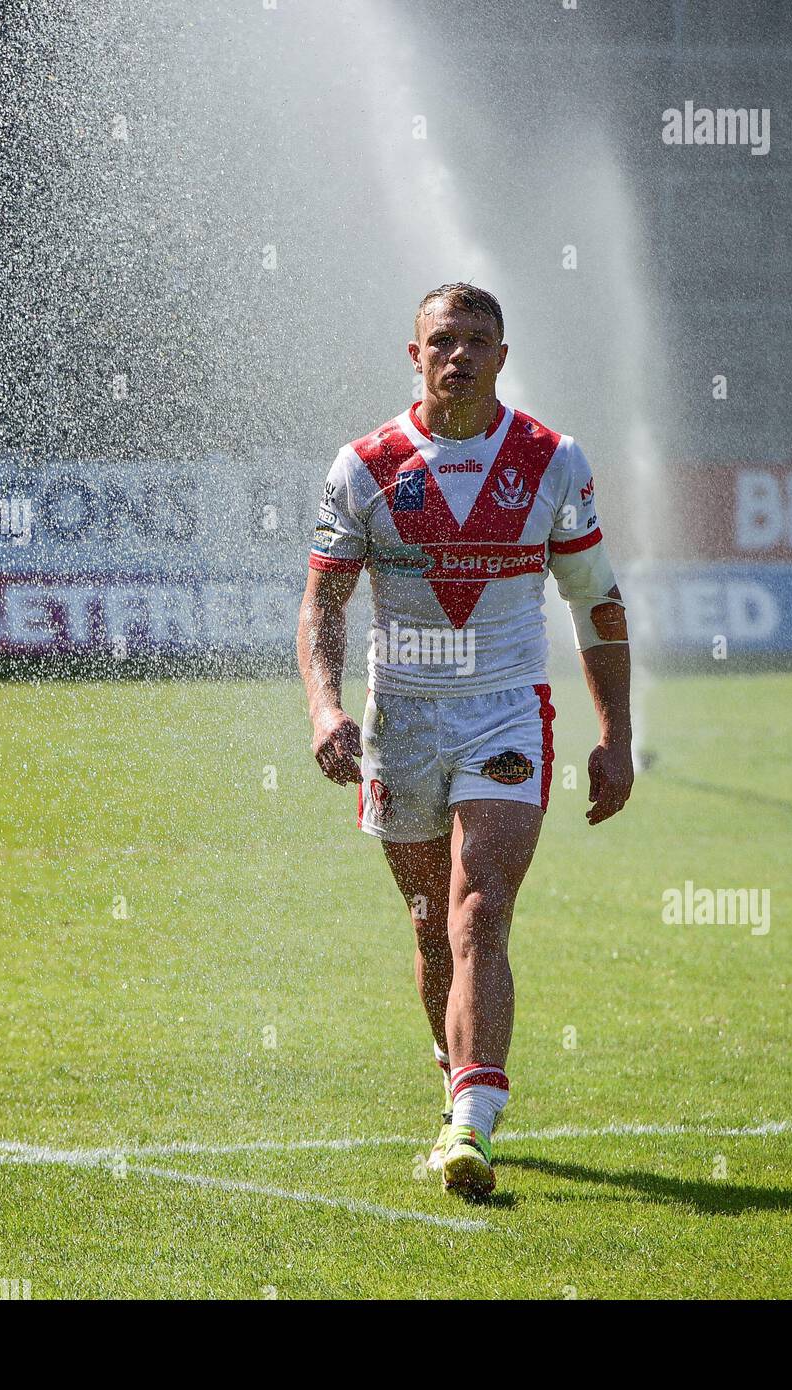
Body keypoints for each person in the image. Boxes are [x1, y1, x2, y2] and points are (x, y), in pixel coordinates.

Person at [296, 282, 633, 1197]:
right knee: (430, 928)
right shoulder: (364, 466)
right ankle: (455, 1082)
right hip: (399, 718)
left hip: (505, 712)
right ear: (416, 356)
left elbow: (596, 603)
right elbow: (322, 607)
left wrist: (617, 736)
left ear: (502, 354)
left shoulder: (553, 461)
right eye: (442, 340)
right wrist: (327, 712)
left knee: (480, 907)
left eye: (478, 340)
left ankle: (472, 1125)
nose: (460, 355)